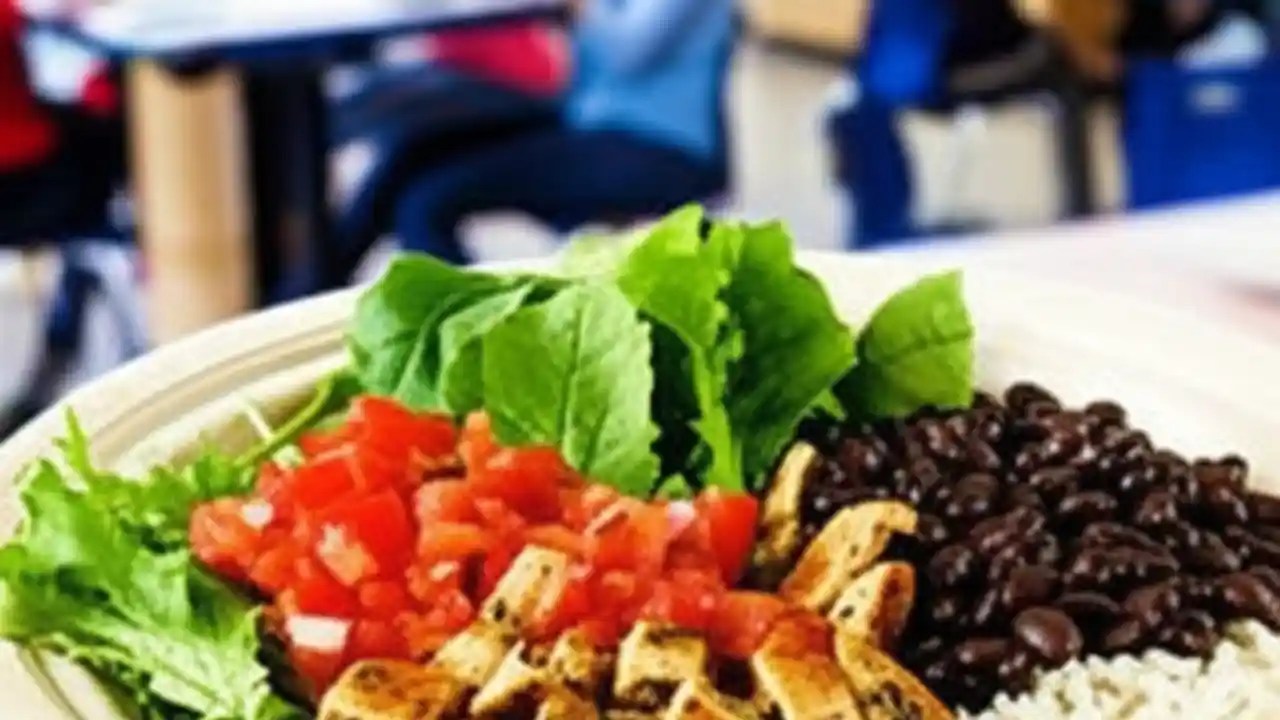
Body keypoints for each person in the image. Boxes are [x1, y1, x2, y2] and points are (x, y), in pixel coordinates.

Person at [390, 0, 734, 264]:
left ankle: (483, 340)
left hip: (658, 147)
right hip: (591, 126)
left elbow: (626, 53)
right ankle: (335, 289)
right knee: (410, 151)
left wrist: (578, 7)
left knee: (425, 202)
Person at [828, 0, 1044, 246]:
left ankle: (881, 228)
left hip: (942, 45)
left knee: (862, 102)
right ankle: (882, 229)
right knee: (863, 103)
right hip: (935, 44)